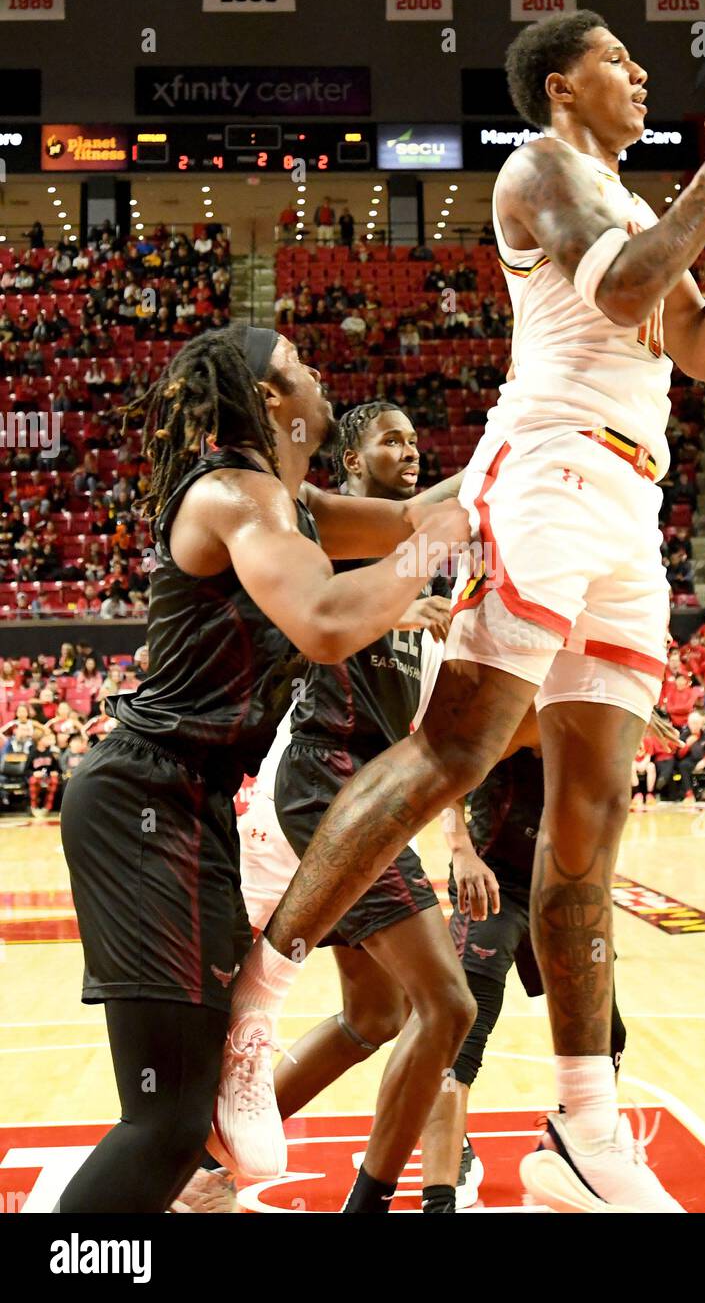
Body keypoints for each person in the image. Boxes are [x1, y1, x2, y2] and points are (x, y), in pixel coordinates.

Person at [213, 16, 705, 1213]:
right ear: (564, 86)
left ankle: (582, 1119)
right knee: (453, 749)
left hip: (631, 499)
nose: (643, 75)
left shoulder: (633, 197)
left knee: (590, 820)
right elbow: (629, 286)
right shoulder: (538, 167)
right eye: (620, 61)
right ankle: (258, 1009)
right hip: (546, 469)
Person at [55, 323, 468, 1213]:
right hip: (141, 799)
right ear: (269, 400)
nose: (318, 372)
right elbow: (325, 616)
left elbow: (414, 512)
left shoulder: (294, 504)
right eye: (297, 364)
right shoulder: (235, 495)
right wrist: (434, 547)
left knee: (183, 1116)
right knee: (161, 1121)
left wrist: (542, 443)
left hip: (191, 801)